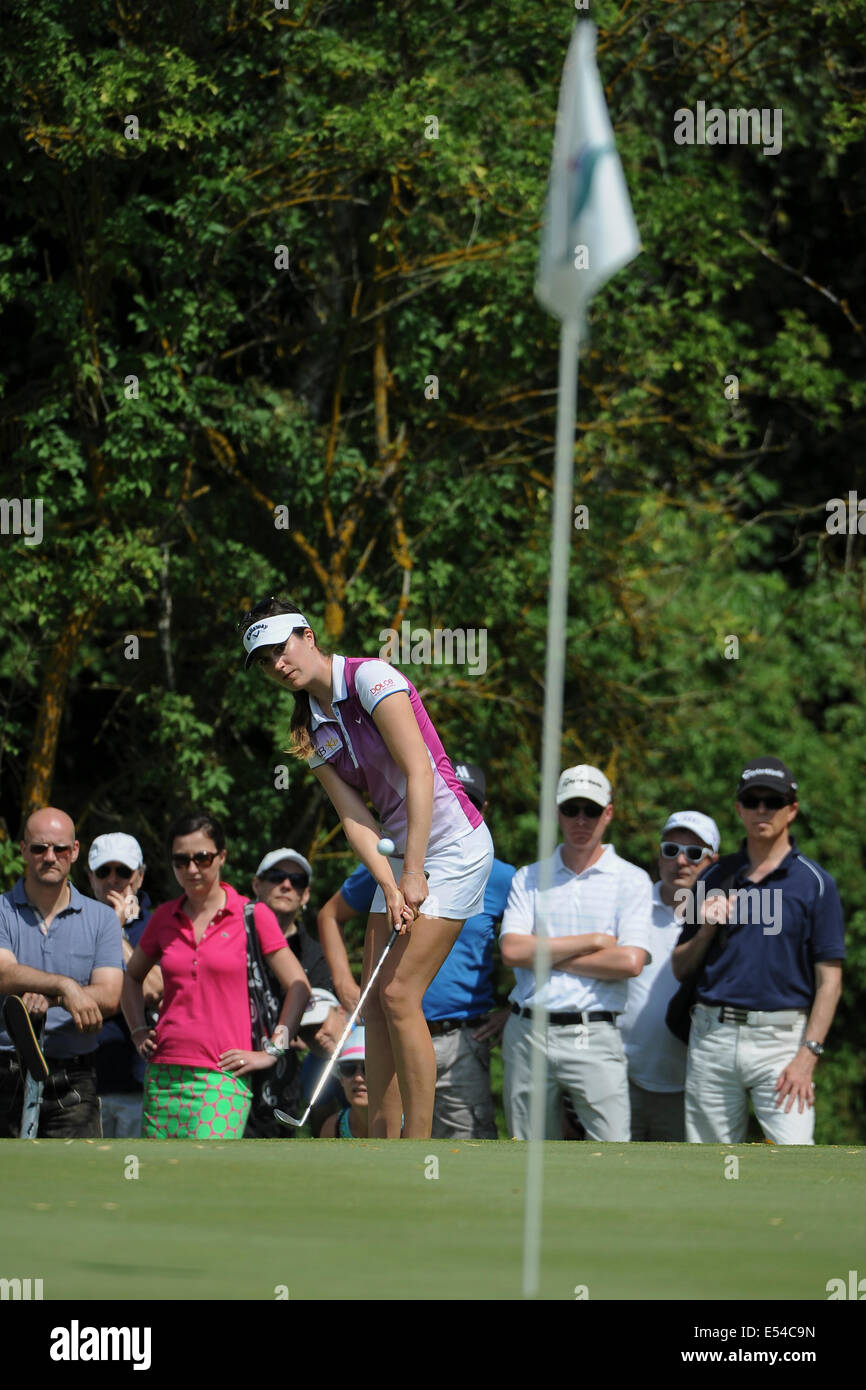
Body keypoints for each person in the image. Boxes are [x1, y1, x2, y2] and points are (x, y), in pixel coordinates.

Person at [240, 597, 494, 1139]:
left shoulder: (371, 679)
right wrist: (389, 878)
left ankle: (418, 1142)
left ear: (307, 636)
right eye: (264, 661)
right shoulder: (308, 729)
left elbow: (420, 771)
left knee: (400, 993)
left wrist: (413, 873)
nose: (277, 665)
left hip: (454, 844)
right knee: (375, 1002)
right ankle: (379, 1136)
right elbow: (354, 816)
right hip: (400, 851)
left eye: (280, 649)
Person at [317, 761, 515, 1139]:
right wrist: (345, 985)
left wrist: (515, 1009)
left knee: (465, 1149)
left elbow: (529, 941)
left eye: (467, 802)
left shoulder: (499, 875)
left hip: (461, 1039)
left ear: (479, 811)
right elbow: (330, 915)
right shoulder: (391, 865)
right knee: (393, 998)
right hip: (391, 1035)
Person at [672, 757, 845, 1145]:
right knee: (713, 1171)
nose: (762, 810)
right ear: (739, 809)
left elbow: (830, 982)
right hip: (713, 1037)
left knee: (795, 1160)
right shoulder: (713, 876)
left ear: (792, 810)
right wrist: (705, 930)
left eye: (773, 801)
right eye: (752, 800)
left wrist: (808, 1055)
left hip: (782, 1044)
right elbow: (679, 967)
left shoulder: (816, 883)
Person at [121, 812, 311, 1139]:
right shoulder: (164, 917)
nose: (192, 868)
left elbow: (299, 986)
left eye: (202, 858)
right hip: (162, 1074)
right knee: (159, 1185)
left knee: (207, 1180)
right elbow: (131, 978)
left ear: (221, 856)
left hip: (222, 1078)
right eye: (181, 861)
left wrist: (273, 1050)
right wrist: (138, 1030)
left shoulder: (252, 914)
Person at [500, 765, 652, 1142]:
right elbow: (512, 950)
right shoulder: (529, 876)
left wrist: (545, 954)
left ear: (609, 813)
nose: (581, 820)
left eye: (591, 810)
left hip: (595, 1033)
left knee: (613, 1152)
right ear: (557, 813)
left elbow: (630, 962)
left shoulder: (632, 879)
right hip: (528, 1032)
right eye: (571, 809)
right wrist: (595, 940)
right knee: (527, 1155)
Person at [0, 807, 124, 1138]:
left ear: (75, 851)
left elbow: (110, 995)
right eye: (39, 848)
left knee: (80, 1184)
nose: (50, 857)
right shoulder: (1, 910)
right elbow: (4, 974)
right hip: (5, 1072)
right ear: (24, 850)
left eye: (60, 849)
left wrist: (51, 999)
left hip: (74, 1080)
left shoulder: (102, 919)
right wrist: (68, 987)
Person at [619, 811, 719, 1142]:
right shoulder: (627, 904)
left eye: (694, 853)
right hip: (619, 1080)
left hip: (690, 1089)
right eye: (670, 849)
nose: (680, 861)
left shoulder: (728, 919)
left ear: (712, 863)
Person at [244, 846, 335, 1137]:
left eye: (296, 881)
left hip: (282, 1088)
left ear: (305, 895)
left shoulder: (317, 955)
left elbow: (320, 1028)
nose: (286, 885)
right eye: (276, 876)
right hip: (229, 1068)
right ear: (256, 884)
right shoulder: (229, 940)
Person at [89, 832, 162, 1138]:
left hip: (140, 1085)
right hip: (86, 1086)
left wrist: (114, 934)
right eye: (104, 871)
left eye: (124, 871)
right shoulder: (72, 923)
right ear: (90, 877)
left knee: (135, 1179)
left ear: (140, 876)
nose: (113, 879)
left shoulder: (158, 924)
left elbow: (154, 989)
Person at [320, 1027, 368, 1138]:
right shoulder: (331, 1128)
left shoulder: (407, 1126)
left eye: (368, 1068)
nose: (358, 1078)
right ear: (341, 1079)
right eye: (348, 1068)